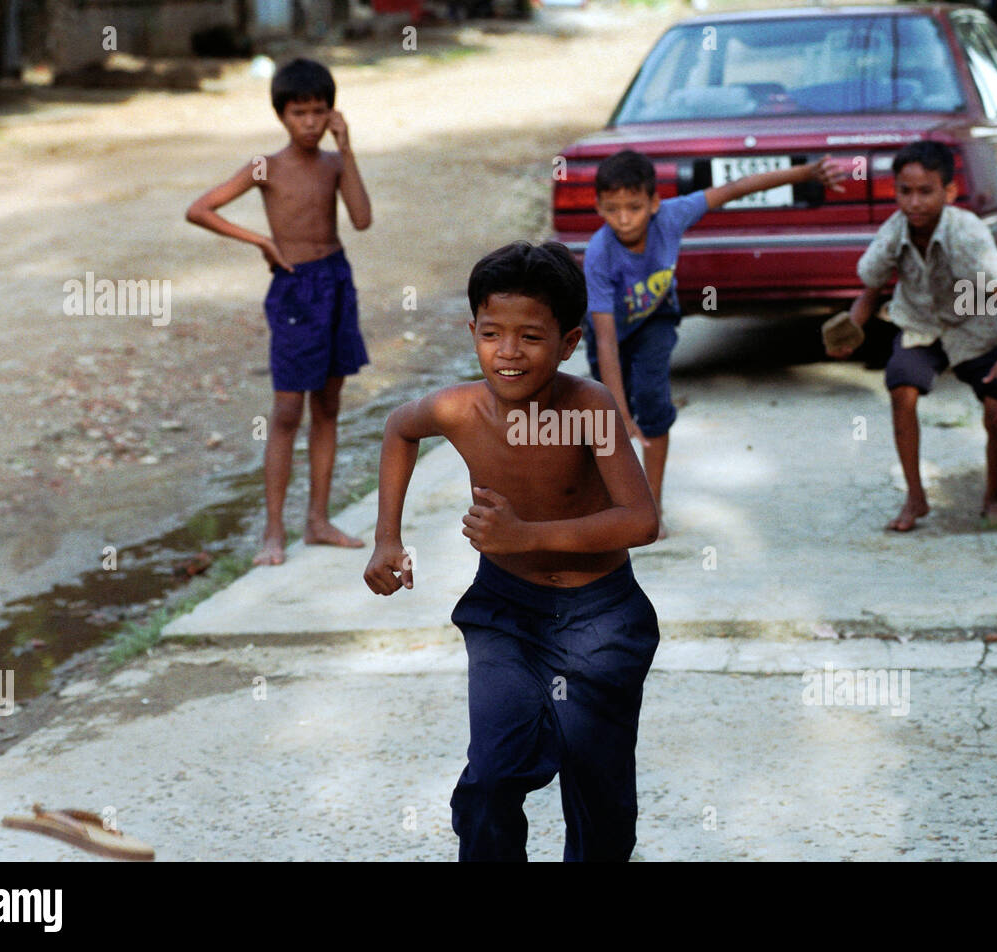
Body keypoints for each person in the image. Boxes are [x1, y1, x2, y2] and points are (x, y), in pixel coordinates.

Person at [364, 241, 661, 861]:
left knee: (598, 795)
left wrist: (527, 535)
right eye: (492, 333)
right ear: (472, 331)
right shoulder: (458, 409)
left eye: (530, 336)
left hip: (601, 619)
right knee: (493, 776)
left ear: (569, 341)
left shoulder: (588, 409)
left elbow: (641, 519)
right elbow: (398, 427)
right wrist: (387, 537)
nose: (508, 352)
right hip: (505, 614)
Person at [584, 149, 845, 537]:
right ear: (599, 207)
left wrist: (808, 171)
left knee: (653, 403)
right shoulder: (598, 255)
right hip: (608, 333)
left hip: (655, 320)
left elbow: (736, 187)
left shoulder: (672, 215)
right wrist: (619, 411)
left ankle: (652, 508)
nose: (624, 219)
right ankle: (607, 501)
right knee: (605, 417)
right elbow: (605, 340)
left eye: (634, 207)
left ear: (654, 203)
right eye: (612, 209)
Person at [186, 58, 372, 566]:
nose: (309, 122)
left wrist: (347, 147)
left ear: (331, 113)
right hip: (294, 290)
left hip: (335, 279)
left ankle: (317, 520)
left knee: (329, 406)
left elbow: (361, 219)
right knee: (288, 411)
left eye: (318, 112)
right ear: (281, 115)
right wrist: (261, 241)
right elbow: (199, 208)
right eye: (298, 113)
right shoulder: (265, 166)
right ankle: (273, 530)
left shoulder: (335, 164)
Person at [827, 140, 997, 531]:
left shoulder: (967, 232)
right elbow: (871, 289)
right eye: (905, 191)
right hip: (918, 325)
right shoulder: (894, 231)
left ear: (949, 193)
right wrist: (851, 331)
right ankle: (915, 498)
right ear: (895, 190)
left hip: (975, 325)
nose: (914, 202)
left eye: (925, 191)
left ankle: (993, 497)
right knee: (902, 389)